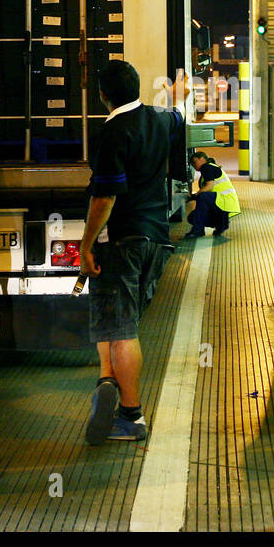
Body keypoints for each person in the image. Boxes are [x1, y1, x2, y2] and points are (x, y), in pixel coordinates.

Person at [79, 61, 185, 444]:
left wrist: (86, 244)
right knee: (118, 321)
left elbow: (105, 195)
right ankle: (107, 379)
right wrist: (178, 98)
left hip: (121, 239)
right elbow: (177, 116)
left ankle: (131, 416)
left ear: (103, 95)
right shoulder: (161, 120)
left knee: (122, 330)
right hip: (156, 237)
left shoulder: (112, 131)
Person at [183, 151, 241, 238]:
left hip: (223, 200)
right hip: (224, 203)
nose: (194, 166)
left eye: (194, 162)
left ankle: (198, 230)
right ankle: (221, 223)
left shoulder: (207, 167)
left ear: (202, 159)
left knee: (202, 196)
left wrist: (194, 196)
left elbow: (209, 187)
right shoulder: (211, 167)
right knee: (192, 217)